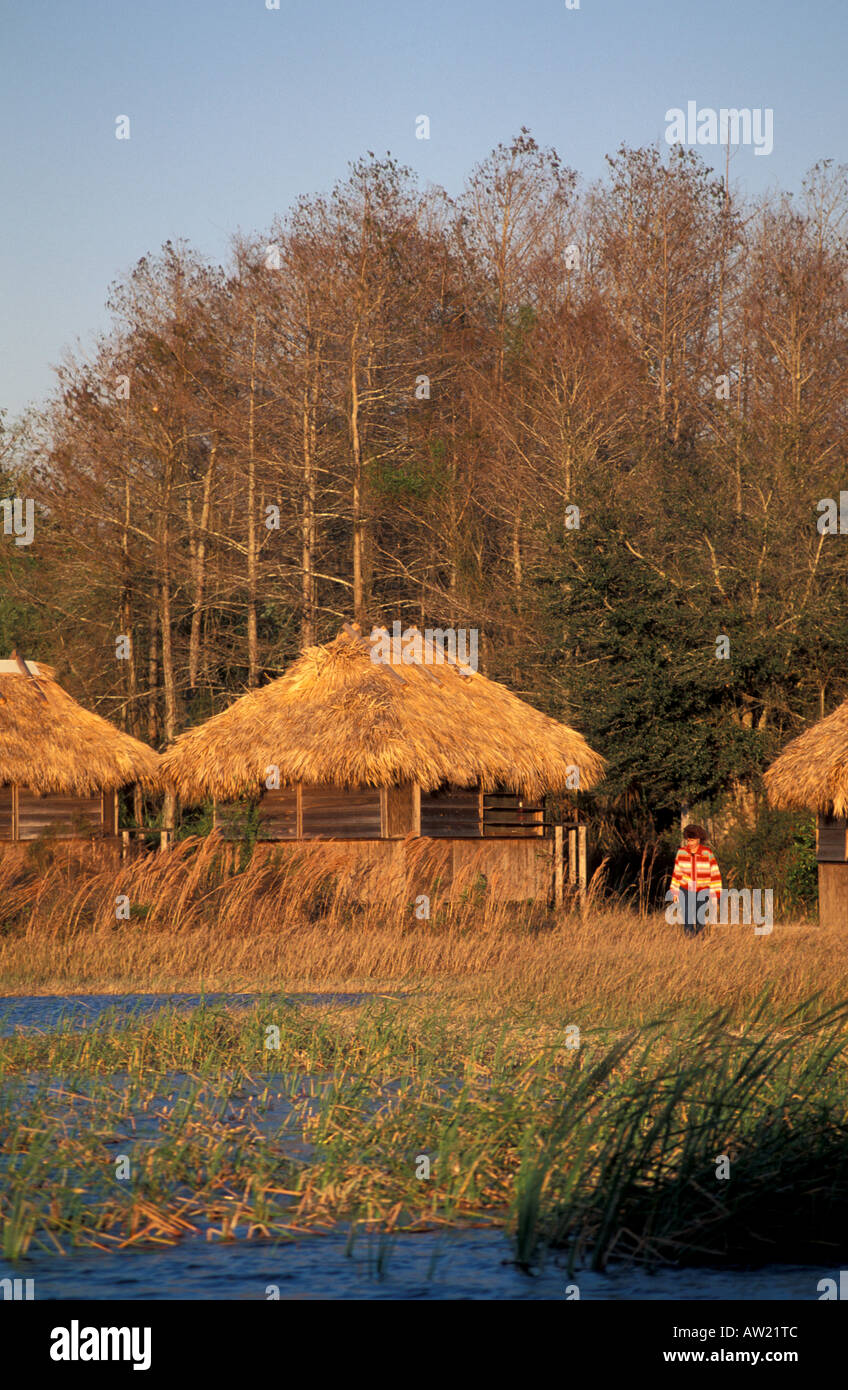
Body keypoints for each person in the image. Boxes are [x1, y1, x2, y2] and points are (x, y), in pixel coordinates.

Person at [670, 824, 722, 937]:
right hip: (685, 889)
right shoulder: (681, 852)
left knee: (700, 917)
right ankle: (689, 939)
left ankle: (700, 938)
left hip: (703, 890)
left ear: (698, 839)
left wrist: (716, 894)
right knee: (687, 916)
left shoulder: (707, 853)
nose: (690, 843)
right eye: (688, 840)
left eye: (692, 840)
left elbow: (715, 874)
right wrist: (674, 891)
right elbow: (677, 872)